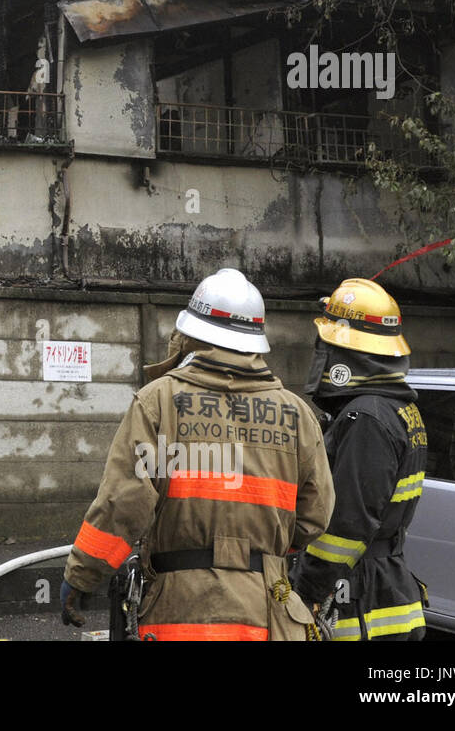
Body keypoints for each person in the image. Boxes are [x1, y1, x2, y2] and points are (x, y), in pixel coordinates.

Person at [60, 268, 334, 641]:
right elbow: (314, 517)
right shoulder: (297, 414)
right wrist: (261, 549)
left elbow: (123, 505)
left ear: (190, 335)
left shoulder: (159, 402)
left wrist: (82, 575)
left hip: (179, 613)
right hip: (267, 613)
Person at [291, 278, 428, 641]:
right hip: (387, 589)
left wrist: (304, 590)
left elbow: (348, 526)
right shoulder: (399, 409)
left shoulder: (367, 418)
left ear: (345, 353)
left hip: (359, 604)